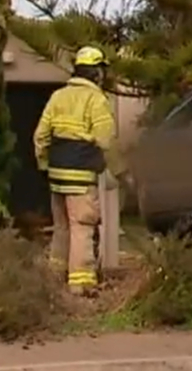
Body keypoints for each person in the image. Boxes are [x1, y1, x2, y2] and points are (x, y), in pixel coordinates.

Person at [34, 46, 124, 296]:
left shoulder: (57, 97)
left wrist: (44, 165)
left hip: (57, 176)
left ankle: (54, 280)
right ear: (97, 73)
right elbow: (106, 140)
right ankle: (81, 284)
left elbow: (40, 136)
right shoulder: (96, 100)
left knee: (62, 227)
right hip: (81, 177)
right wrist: (120, 170)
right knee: (82, 227)